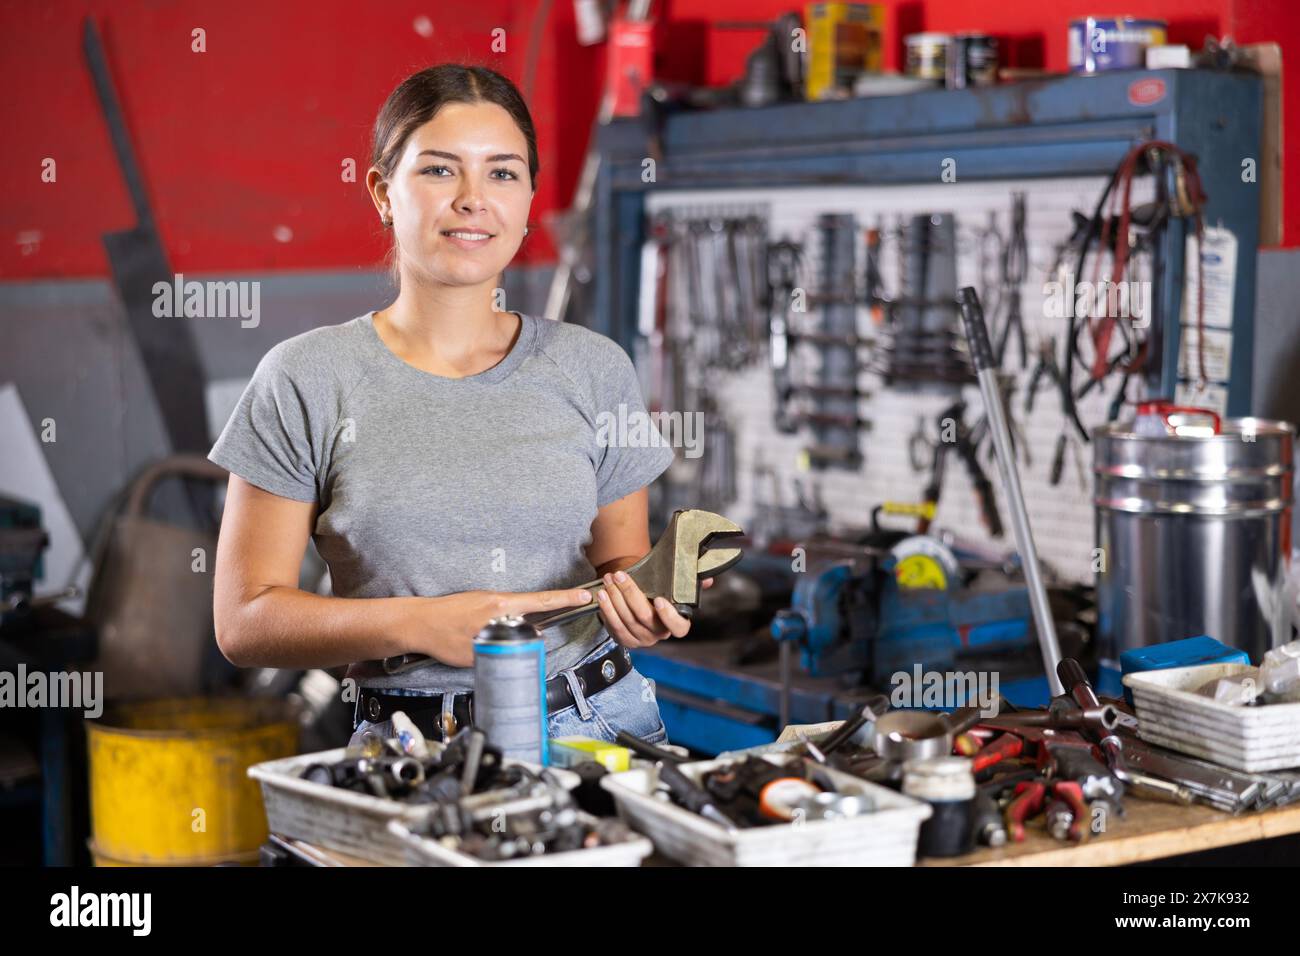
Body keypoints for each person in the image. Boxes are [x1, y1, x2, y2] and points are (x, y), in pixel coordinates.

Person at [210, 64, 702, 749]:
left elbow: (621, 564)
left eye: (503, 173)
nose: (475, 199)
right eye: (441, 171)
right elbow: (246, 623)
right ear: (384, 192)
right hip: (412, 746)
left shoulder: (592, 367)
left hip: (597, 725)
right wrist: (419, 623)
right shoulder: (305, 378)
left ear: (530, 196)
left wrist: (642, 607)